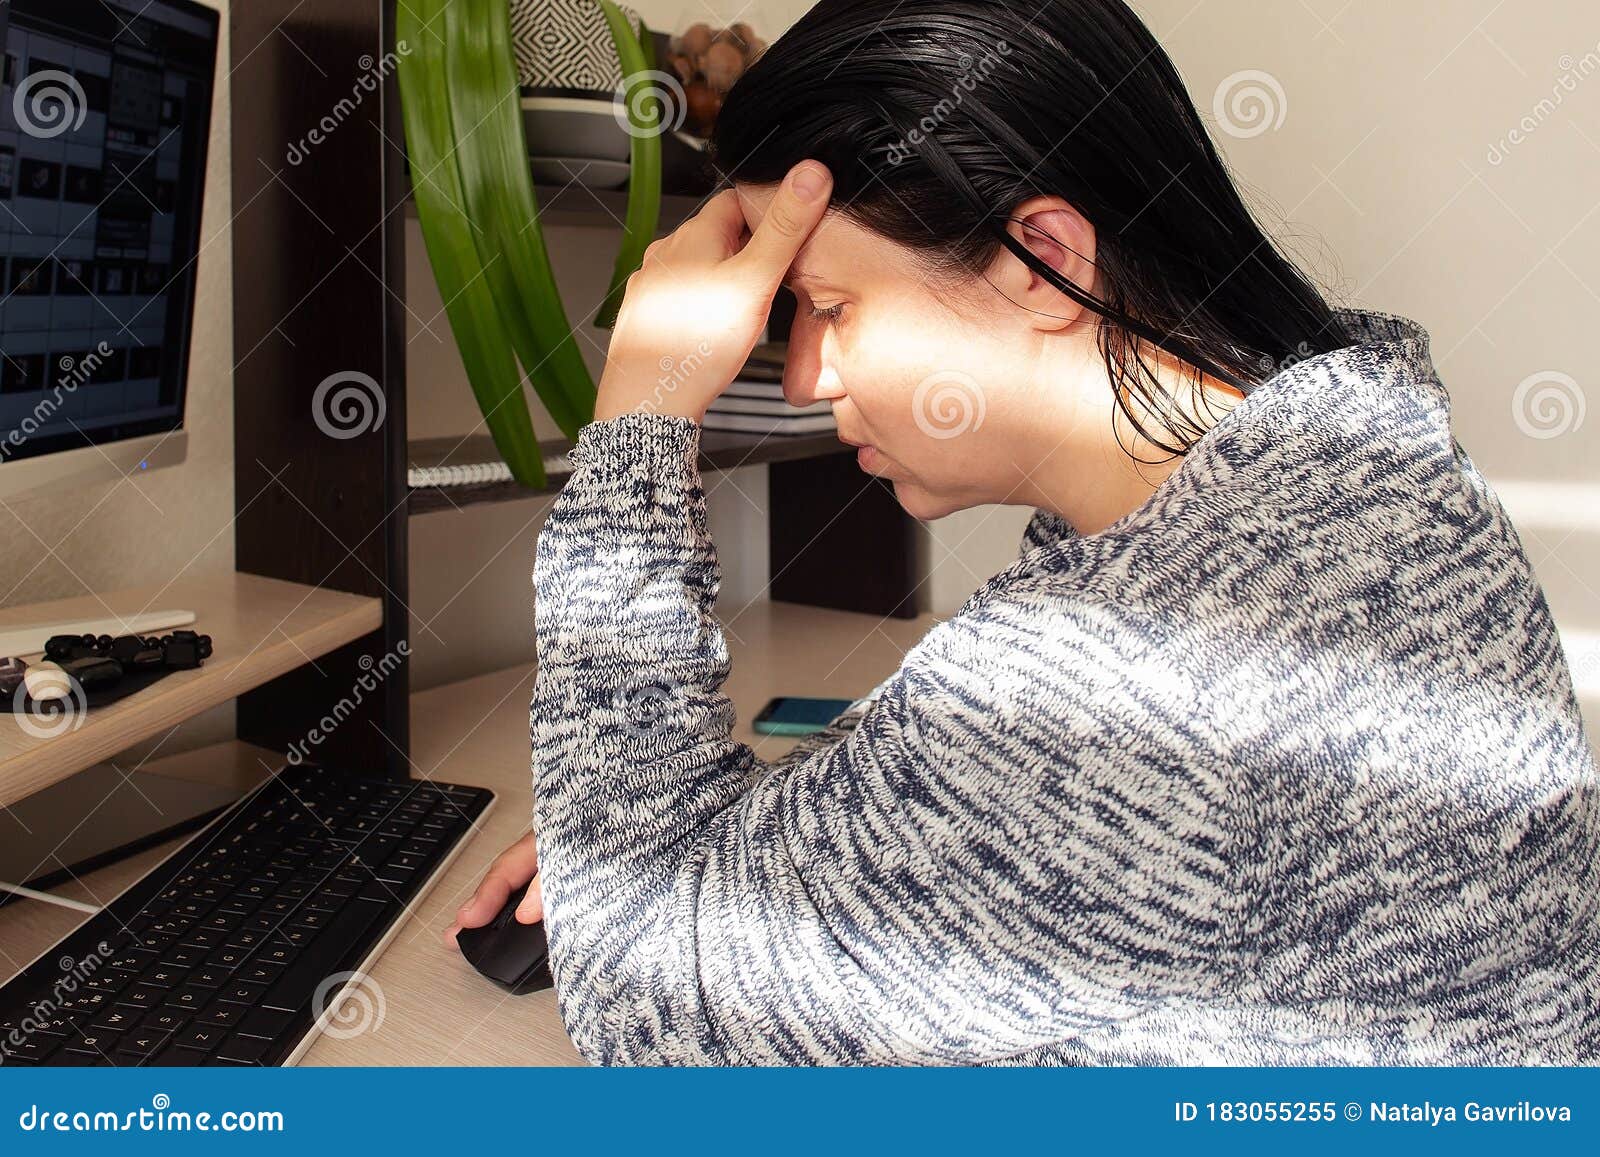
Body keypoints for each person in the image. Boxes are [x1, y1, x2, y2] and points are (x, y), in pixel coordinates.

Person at [447, 0, 1599, 1064]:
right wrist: (692, 847)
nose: (803, 378)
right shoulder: (1341, 458)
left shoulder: (1145, 665)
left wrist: (643, 416)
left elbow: (640, 1008)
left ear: (1044, 258)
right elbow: (1015, 814)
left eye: (830, 306)